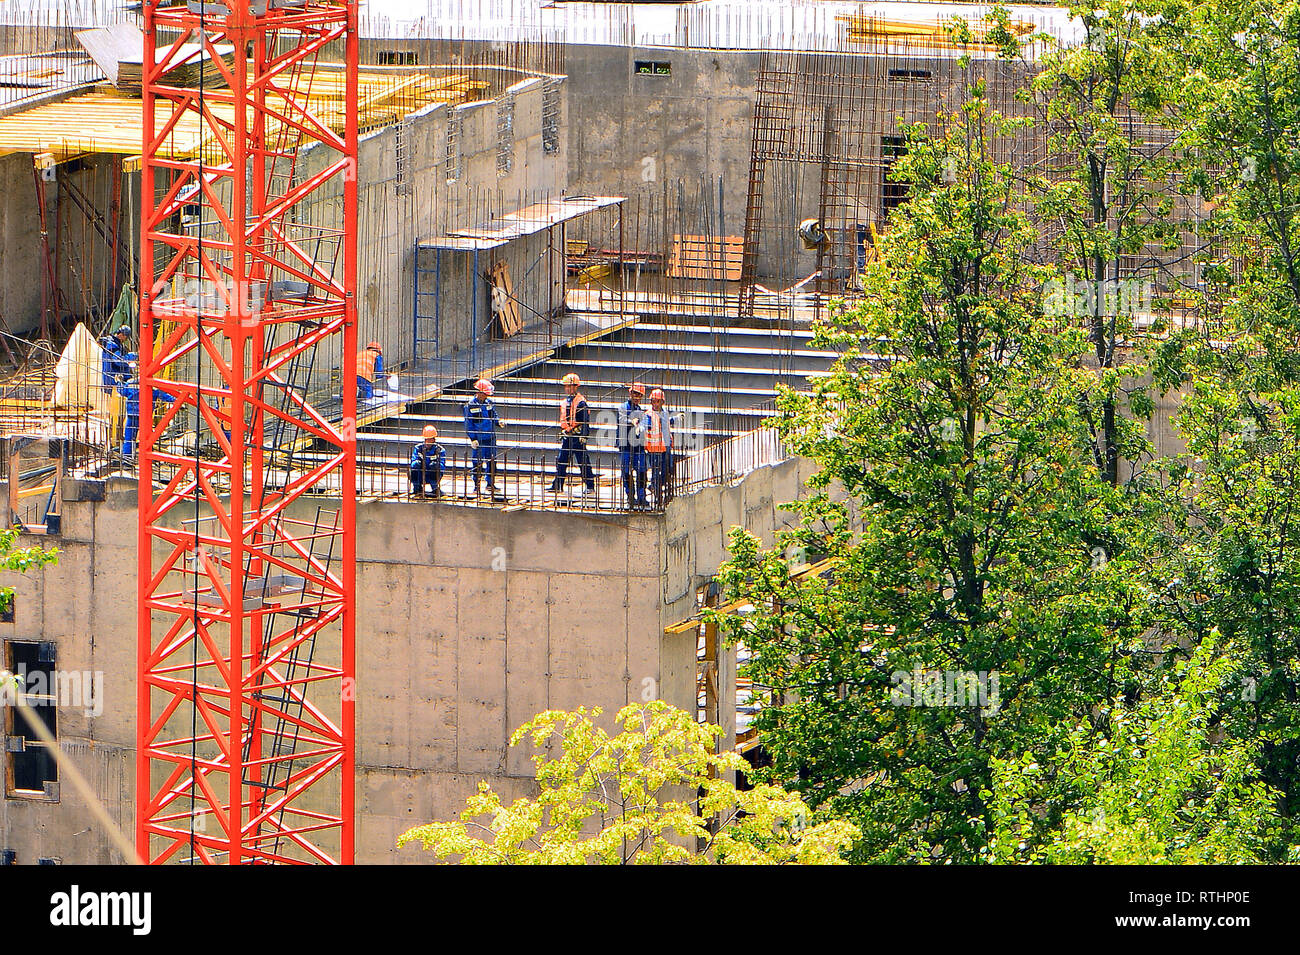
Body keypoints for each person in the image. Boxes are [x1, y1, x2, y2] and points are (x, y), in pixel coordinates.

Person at [549, 372, 595, 495]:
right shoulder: (566, 401)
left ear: (575, 387)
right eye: (566, 386)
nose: (567, 388)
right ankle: (557, 485)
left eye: (570, 386)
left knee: (583, 461)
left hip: (577, 436)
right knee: (561, 460)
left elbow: (585, 421)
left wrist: (584, 436)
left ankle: (590, 485)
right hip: (568, 435)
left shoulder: (581, 402)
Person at [117, 364, 175, 458]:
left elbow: (122, 391)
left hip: (132, 415)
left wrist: (119, 382)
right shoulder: (152, 385)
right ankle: (147, 457)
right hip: (145, 416)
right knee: (147, 439)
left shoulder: (131, 384)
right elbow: (164, 396)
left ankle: (127, 459)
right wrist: (177, 400)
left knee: (129, 438)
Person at [464, 378, 503, 500]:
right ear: (479, 392)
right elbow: (468, 424)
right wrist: (473, 438)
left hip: (490, 437)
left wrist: (498, 421)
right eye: (485, 394)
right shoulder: (470, 406)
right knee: (477, 462)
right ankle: (476, 485)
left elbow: (493, 415)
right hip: (479, 439)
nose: (486, 396)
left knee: (492, 461)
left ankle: (490, 483)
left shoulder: (489, 403)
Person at [618, 382, 650, 508]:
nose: (637, 397)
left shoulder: (640, 410)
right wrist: (632, 422)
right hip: (625, 444)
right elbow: (622, 420)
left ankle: (642, 497)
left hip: (638, 446)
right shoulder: (623, 407)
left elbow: (644, 424)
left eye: (639, 395)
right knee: (626, 472)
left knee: (642, 472)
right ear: (630, 393)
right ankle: (630, 496)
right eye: (635, 394)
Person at [646, 387, 674, 507]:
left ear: (662, 402)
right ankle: (658, 496)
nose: (655, 404)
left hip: (665, 446)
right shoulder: (648, 414)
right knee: (656, 472)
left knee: (668, 470)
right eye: (653, 401)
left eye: (658, 401)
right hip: (654, 448)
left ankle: (655, 486)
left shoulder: (665, 413)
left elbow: (666, 427)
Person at [409, 424, 446, 499]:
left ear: (434, 439)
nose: (428, 442)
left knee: (435, 468)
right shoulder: (418, 448)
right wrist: (417, 463)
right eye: (426, 439)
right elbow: (412, 463)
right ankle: (417, 488)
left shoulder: (439, 450)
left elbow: (442, 465)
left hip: (432, 473)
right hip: (421, 473)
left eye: (430, 439)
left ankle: (435, 488)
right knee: (414, 468)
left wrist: (436, 465)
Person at [99, 324, 132, 393]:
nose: (125, 340)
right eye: (125, 338)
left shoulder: (114, 343)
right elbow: (118, 361)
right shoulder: (112, 345)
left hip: (112, 376)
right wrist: (131, 357)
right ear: (121, 335)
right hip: (113, 377)